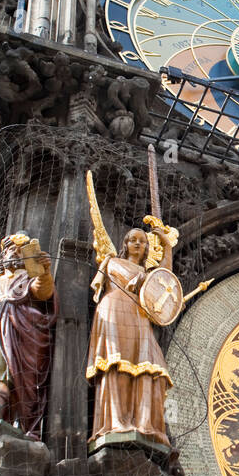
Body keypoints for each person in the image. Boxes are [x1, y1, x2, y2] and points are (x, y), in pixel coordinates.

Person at [85, 176, 179, 452]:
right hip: (116, 310)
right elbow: (141, 284)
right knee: (118, 364)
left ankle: (146, 425)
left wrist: (168, 247)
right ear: (125, 245)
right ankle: (115, 422)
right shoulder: (113, 262)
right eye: (133, 240)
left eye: (142, 242)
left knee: (153, 368)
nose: (138, 244)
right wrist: (154, 284)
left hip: (139, 316)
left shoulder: (148, 272)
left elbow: (164, 280)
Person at [0, 232, 56, 437]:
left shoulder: (27, 277)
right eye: (10, 251)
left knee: (26, 382)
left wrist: (44, 271)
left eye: (19, 251)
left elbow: (43, 293)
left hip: (26, 336)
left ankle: (21, 424)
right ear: (2, 258)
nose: (14, 254)